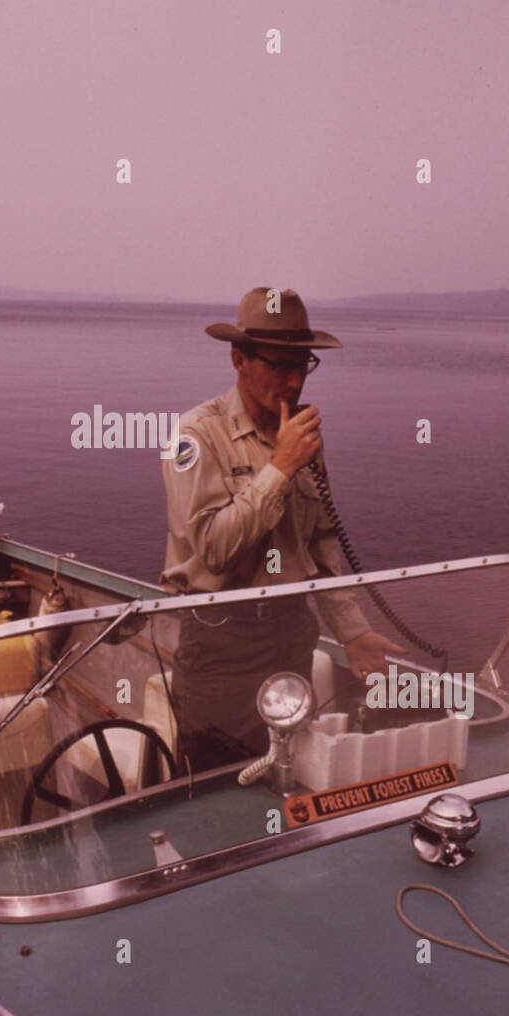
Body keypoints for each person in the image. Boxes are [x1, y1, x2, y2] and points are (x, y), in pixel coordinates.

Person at [160, 286, 403, 772]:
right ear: (238, 359)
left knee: (289, 772)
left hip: (291, 635)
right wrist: (281, 468)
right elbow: (212, 549)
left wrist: (352, 632)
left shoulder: (303, 434)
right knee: (214, 782)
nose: (293, 382)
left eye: (303, 366)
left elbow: (323, 544)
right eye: (278, 366)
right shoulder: (194, 435)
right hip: (221, 642)